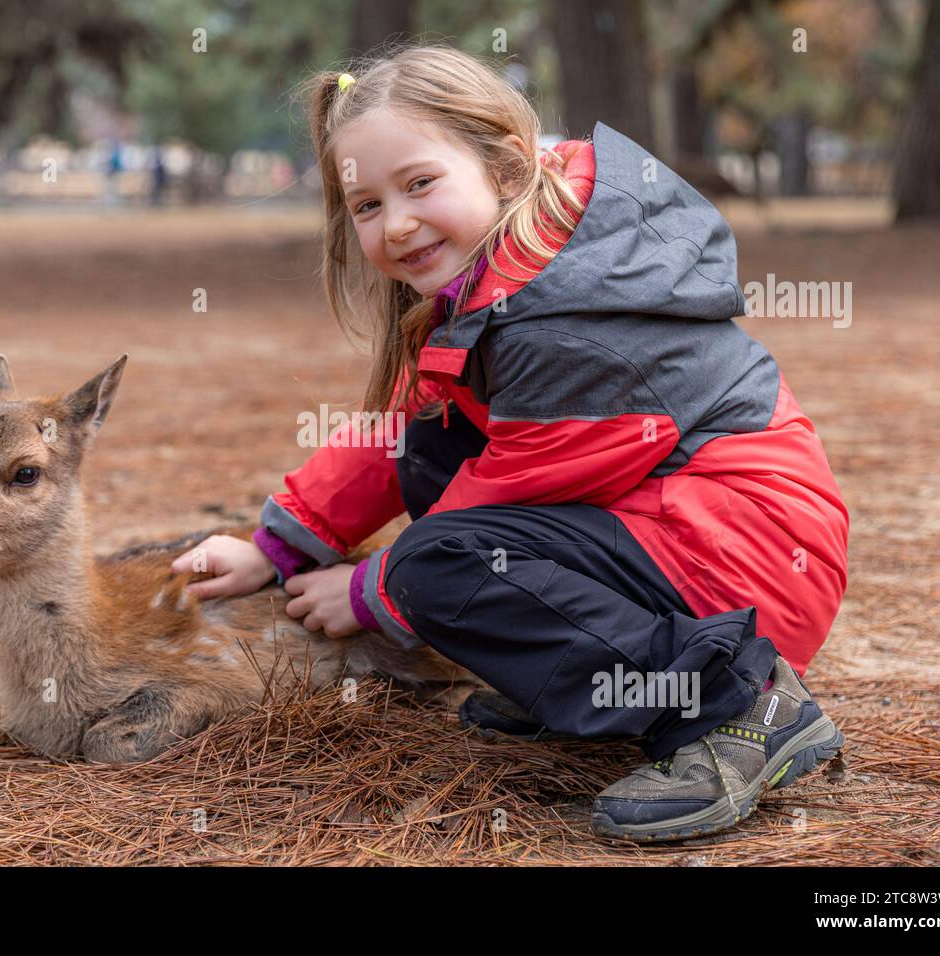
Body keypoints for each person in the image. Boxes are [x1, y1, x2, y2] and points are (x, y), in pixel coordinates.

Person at [170, 44, 849, 842]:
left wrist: (370, 591)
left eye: (420, 183)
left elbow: (506, 492)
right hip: (679, 530)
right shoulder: (519, 267)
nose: (399, 223)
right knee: (431, 451)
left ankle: (734, 702)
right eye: (366, 206)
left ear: (504, 162)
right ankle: (600, 684)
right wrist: (278, 547)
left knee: (436, 567)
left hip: (747, 563)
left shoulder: (568, 322)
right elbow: (404, 422)